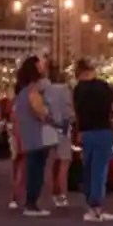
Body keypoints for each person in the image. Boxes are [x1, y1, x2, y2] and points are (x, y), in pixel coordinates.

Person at [72, 59, 113, 222]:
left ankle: (92, 206)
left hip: (87, 133)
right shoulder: (105, 87)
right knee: (100, 171)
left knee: (88, 170)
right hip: (104, 132)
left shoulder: (78, 90)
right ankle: (97, 207)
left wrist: (78, 132)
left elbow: (77, 114)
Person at [12, 56, 55, 217]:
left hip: (28, 134)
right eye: (39, 65)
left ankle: (30, 202)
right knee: (36, 169)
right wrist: (48, 116)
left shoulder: (22, 90)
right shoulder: (33, 90)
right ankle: (32, 203)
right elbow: (38, 110)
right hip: (38, 135)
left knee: (32, 167)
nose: (42, 67)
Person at [44, 60, 76, 208]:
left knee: (52, 163)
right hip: (63, 129)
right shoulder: (64, 90)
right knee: (64, 163)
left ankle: (53, 194)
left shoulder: (46, 89)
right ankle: (62, 195)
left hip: (48, 128)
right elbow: (68, 110)